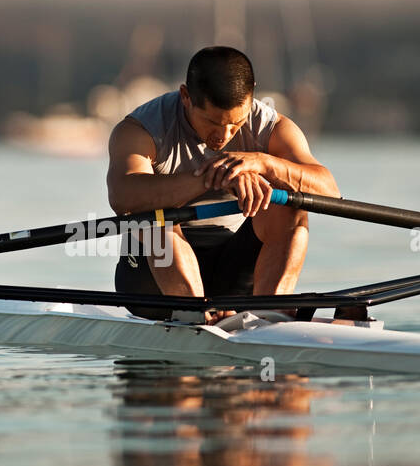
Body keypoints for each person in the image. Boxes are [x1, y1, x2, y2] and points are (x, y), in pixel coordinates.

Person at [106, 46, 340, 321]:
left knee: (290, 202)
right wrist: (212, 176)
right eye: (212, 122)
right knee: (151, 216)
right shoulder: (140, 129)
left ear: (251, 96)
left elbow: (330, 192)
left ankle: (271, 315)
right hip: (151, 282)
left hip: (230, 273)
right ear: (186, 97)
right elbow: (122, 196)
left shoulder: (272, 126)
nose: (224, 135)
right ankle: (193, 312)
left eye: (236, 123)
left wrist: (264, 163)